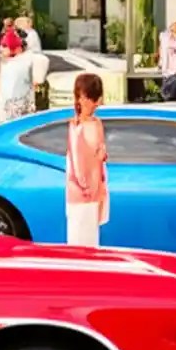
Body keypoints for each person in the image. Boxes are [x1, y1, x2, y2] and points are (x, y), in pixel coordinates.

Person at [66, 73, 108, 246]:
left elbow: (99, 154)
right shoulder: (76, 127)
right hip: (82, 194)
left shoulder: (96, 123)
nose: (95, 103)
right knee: (80, 241)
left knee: (91, 239)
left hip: (95, 191)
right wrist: (86, 187)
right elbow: (77, 162)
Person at [0, 27, 36, 123]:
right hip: (12, 110)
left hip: (17, 110)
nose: (1, 49)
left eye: (4, 46)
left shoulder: (26, 62)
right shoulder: (4, 64)